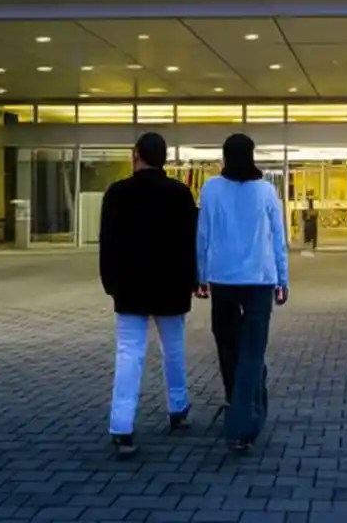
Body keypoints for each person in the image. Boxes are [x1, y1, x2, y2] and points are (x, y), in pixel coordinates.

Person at [99, 132, 199, 459]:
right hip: (171, 286)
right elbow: (190, 244)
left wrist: (110, 281)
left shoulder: (117, 194)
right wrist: (193, 280)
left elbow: (108, 243)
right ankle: (178, 407)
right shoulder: (180, 194)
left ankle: (122, 426)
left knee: (129, 353)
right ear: (164, 158)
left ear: (136, 155)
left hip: (130, 288)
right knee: (173, 349)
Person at [196, 133, 289, 453]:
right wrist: (282, 279)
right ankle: (244, 418)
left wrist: (200, 275)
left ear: (224, 156)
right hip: (259, 280)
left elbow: (203, 233)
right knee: (252, 351)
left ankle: (237, 413)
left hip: (222, 279)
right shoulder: (266, 191)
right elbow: (278, 237)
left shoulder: (210, 188)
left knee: (227, 344)